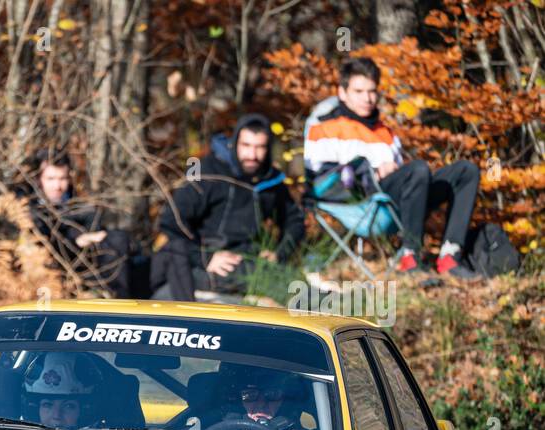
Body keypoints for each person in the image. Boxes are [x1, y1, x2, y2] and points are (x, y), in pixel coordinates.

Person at [305, 56, 480, 279]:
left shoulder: (385, 132)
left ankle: (450, 256)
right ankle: (410, 255)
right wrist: (372, 175)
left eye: (372, 91)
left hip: (399, 200)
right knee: (417, 169)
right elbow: (321, 183)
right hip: (362, 202)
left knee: (465, 170)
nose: (367, 98)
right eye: (359, 91)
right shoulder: (324, 128)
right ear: (342, 92)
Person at [152, 114, 305, 301]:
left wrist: (279, 253)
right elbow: (172, 220)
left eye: (260, 147)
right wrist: (205, 258)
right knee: (284, 285)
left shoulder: (272, 181)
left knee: (285, 280)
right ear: (235, 144)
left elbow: (294, 221)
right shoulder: (206, 170)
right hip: (205, 263)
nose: (252, 155)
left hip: (249, 259)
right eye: (246, 146)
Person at [26, 150, 139, 298]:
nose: (57, 186)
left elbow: (95, 231)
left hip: (89, 262)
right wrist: (77, 241)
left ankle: (118, 301)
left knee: (118, 240)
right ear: (39, 179)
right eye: (51, 179)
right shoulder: (30, 210)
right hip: (57, 269)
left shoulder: (80, 206)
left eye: (62, 179)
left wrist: (87, 238)